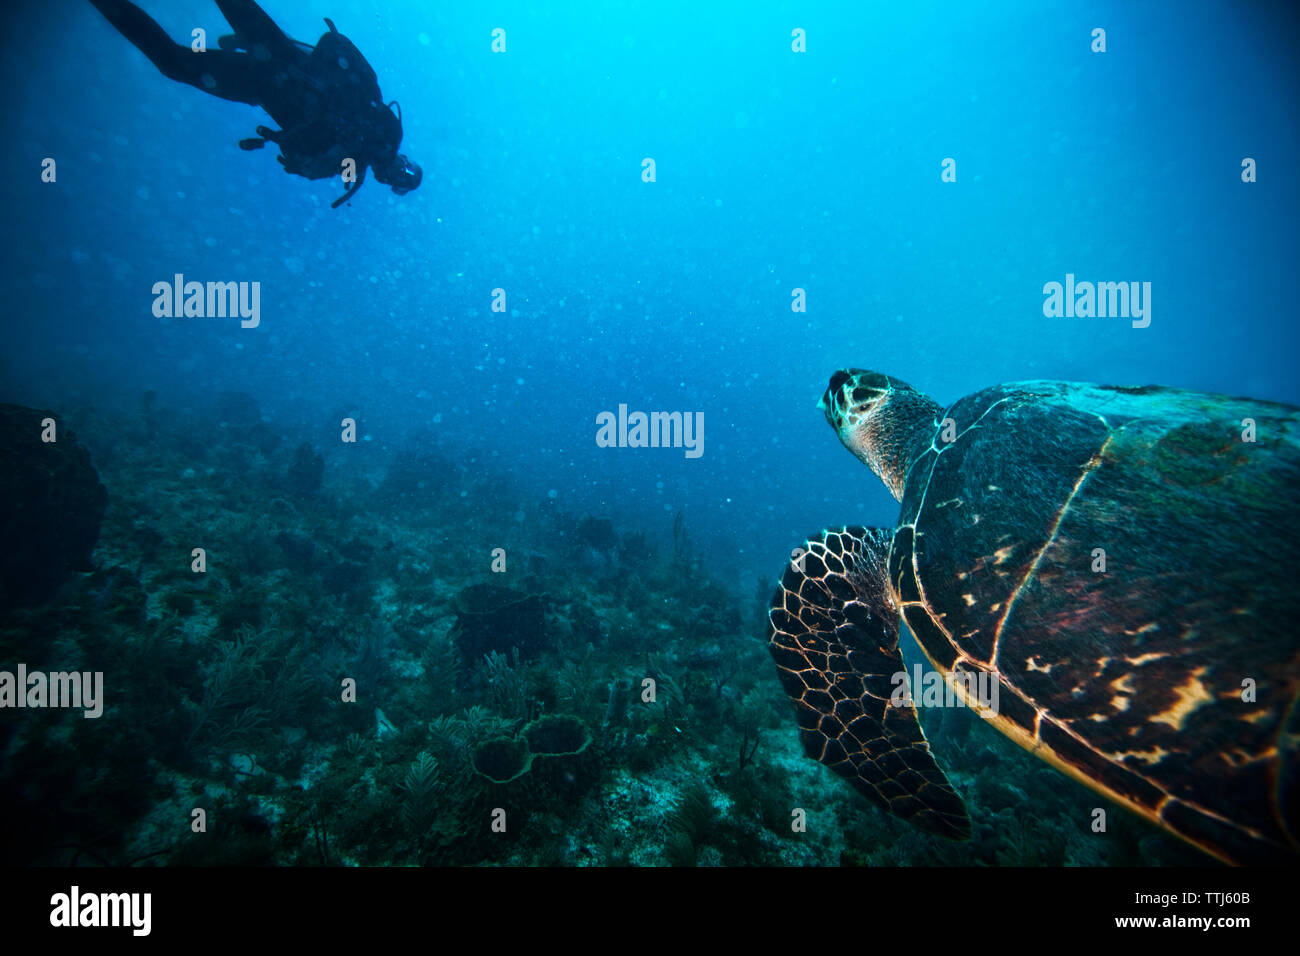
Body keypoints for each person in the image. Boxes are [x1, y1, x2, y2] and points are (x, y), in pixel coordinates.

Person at [89, 0, 422, 207]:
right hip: (282, 59)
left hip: (260, 82)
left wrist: (309, 162)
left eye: (396, 185)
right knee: (209, 26)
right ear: (404, 160)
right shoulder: (386, 129)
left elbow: (294, 153)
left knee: (173, 63)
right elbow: (347, 70)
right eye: (403, 173)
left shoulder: (349, 166)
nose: (392, 175)